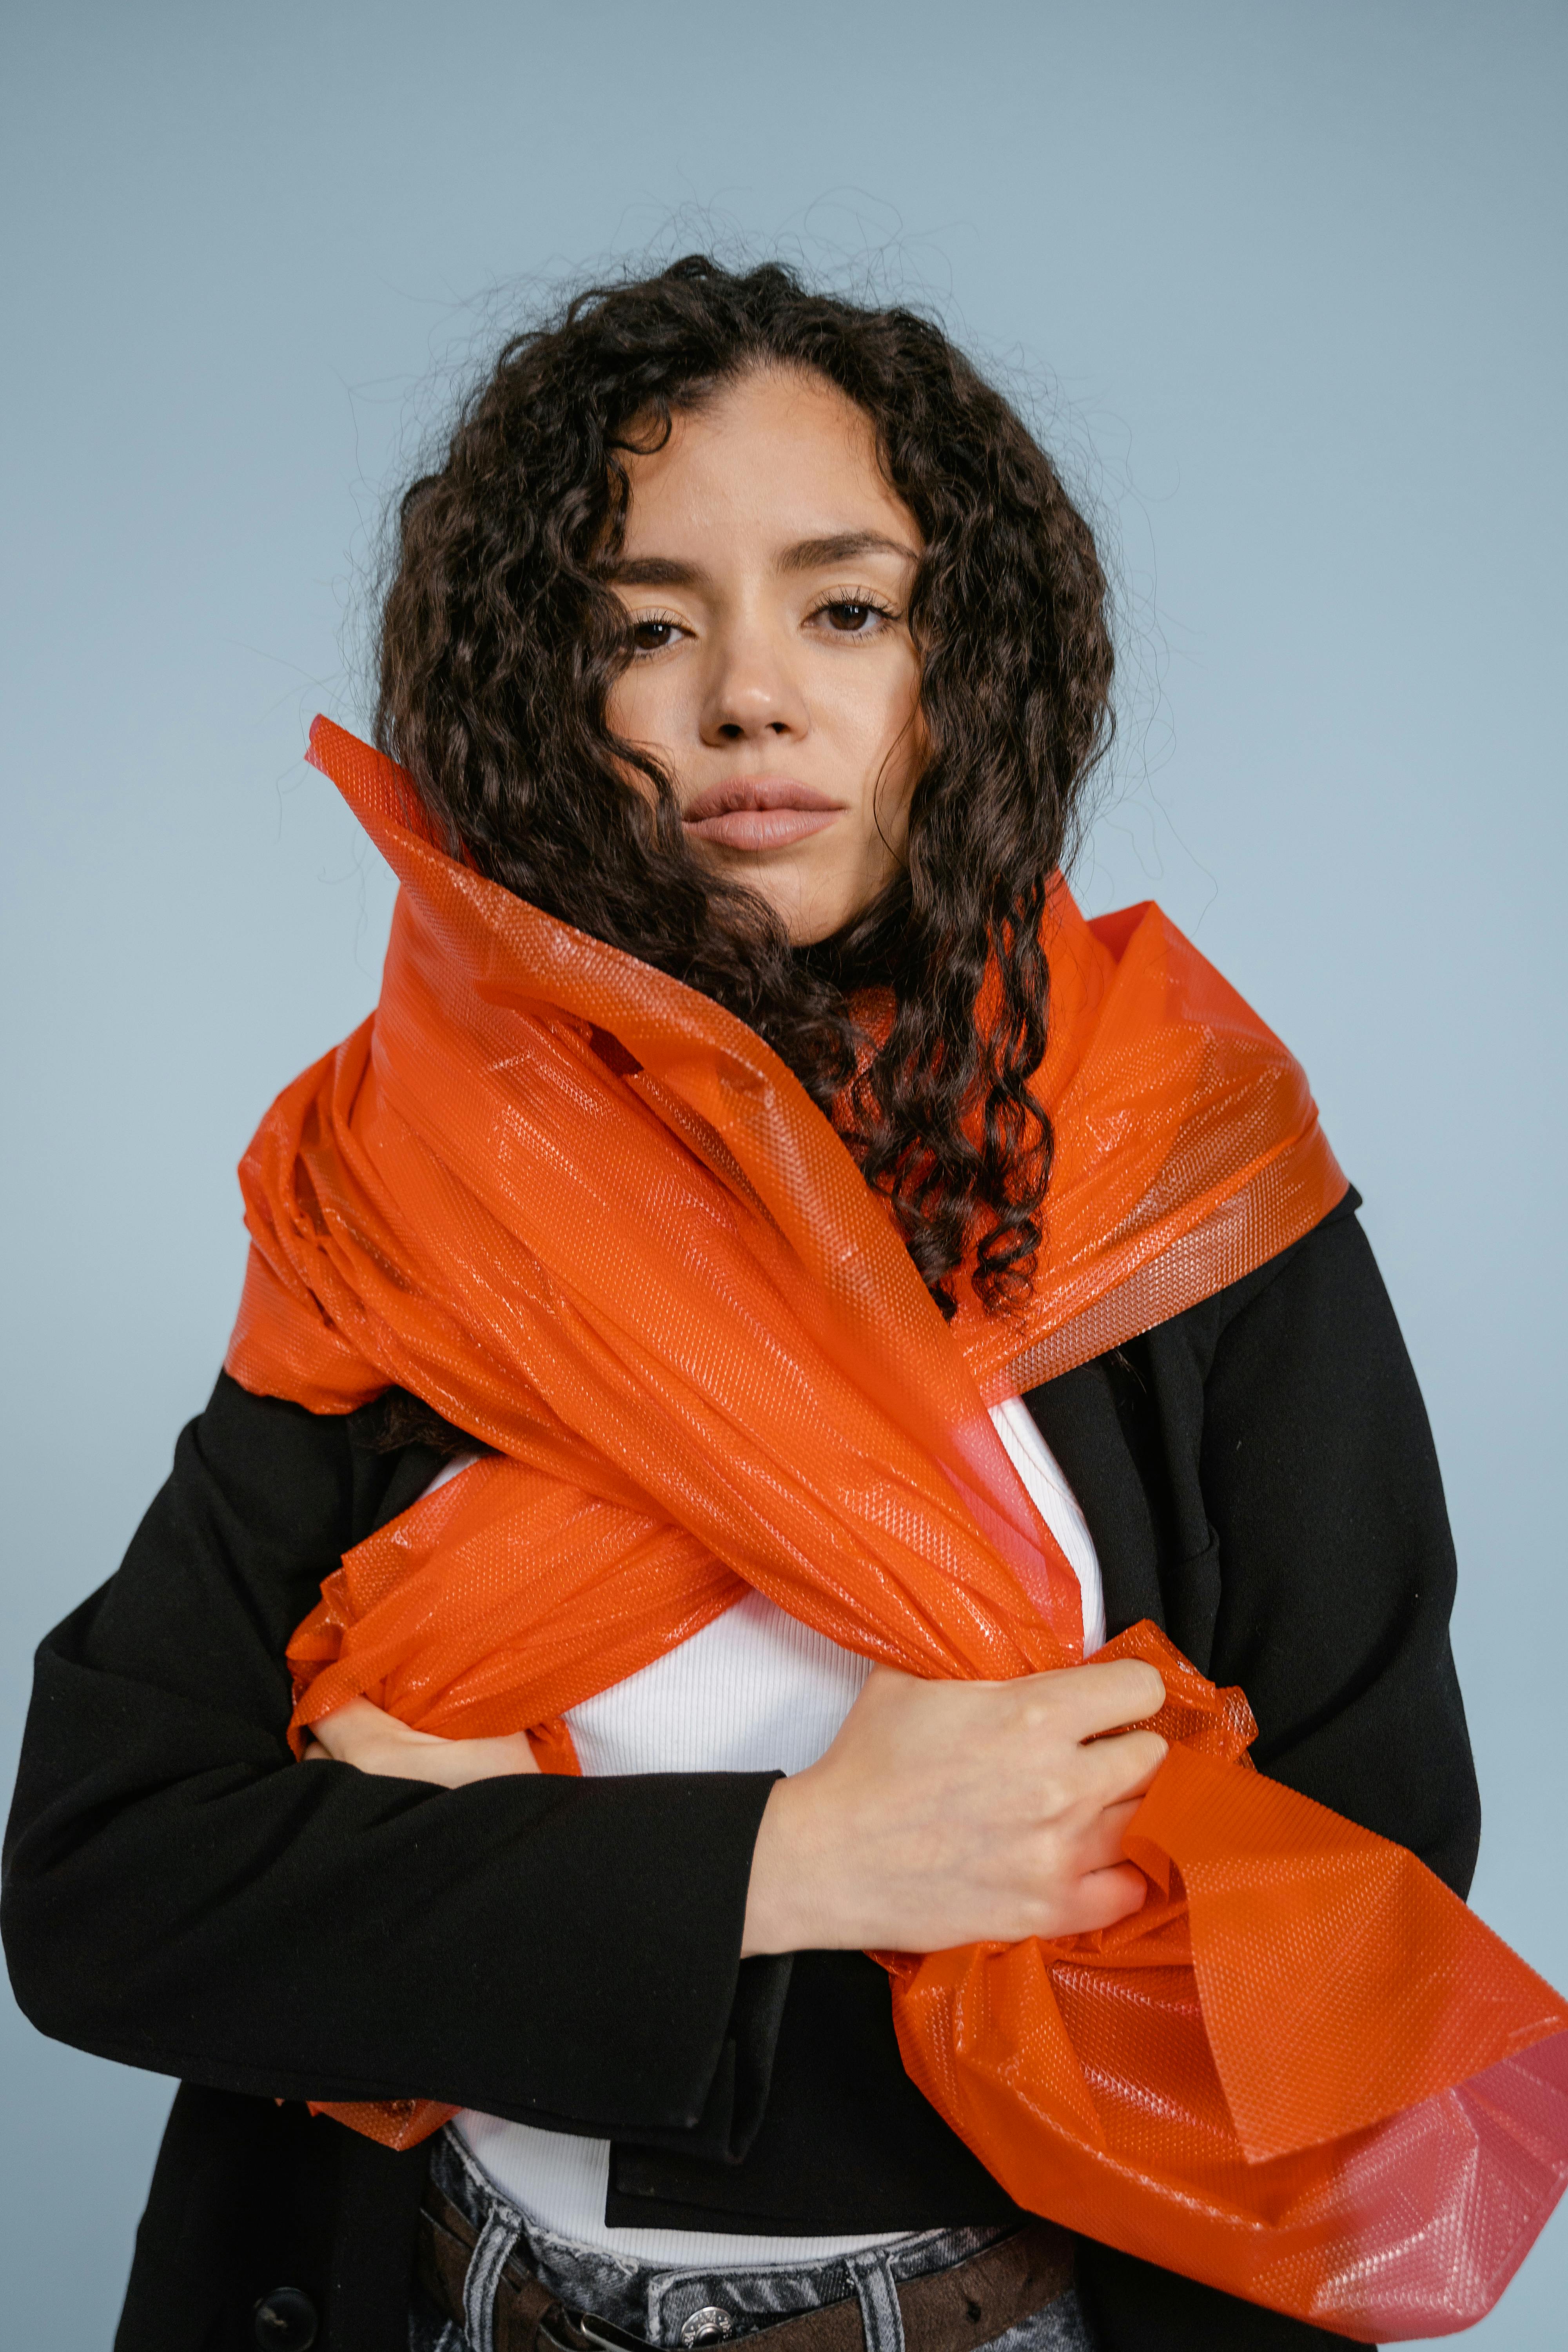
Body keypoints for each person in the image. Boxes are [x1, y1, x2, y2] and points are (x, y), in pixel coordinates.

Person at [2, 260, 1483, 2352]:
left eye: (845, 606)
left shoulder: (1193, 1193)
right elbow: (105, 1892)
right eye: (645, 623)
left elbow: (1365, 1937)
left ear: (960, 671)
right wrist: (814, 1858)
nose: (749, 698)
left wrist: (460, 1849)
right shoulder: (403, 1217)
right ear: (543, 692)